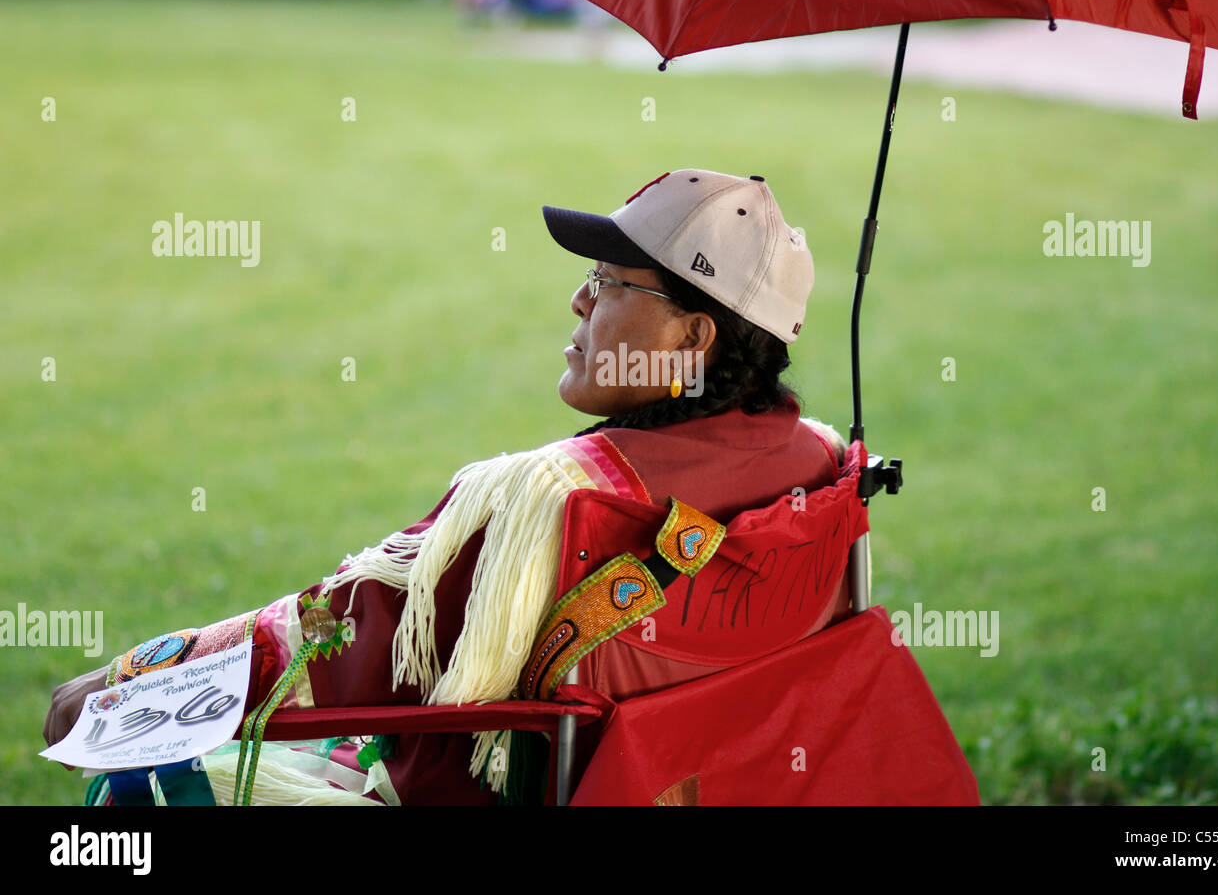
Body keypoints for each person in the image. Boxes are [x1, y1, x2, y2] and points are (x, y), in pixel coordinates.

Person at [45, 167, 857, 804]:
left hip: (500, 791)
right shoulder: (819, 464)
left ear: (692, 336)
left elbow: (342, 639)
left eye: (612, 282)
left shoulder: (556, 496)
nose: (579, 297)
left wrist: (130, 682)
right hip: (713, 782)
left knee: (133, 791)